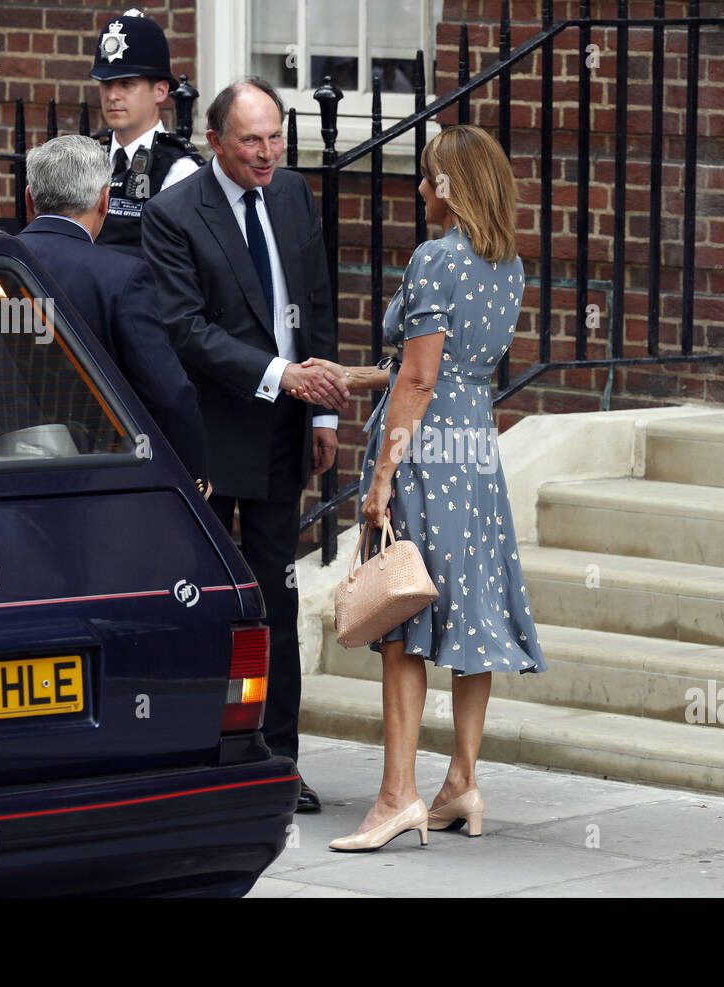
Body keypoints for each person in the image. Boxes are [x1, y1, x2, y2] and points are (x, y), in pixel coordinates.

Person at [291, 124, 549, 852]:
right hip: (476, 451)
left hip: (427, 452)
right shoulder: (507, 264)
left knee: (402, 617)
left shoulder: (435, 259)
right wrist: (353, 376)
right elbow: (440, 366)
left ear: (452, 188)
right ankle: (461, 780)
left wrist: (380, 478)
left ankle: (396, 796)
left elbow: (421, 378)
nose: (420, 187)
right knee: (472, 615)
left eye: (429, 176)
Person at [141, 78, 349, 813]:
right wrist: (281, 375)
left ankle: (277, 761)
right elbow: (185, 329)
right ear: (216, 143)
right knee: (197, 598)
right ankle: (194, 755)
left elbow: (315, 300)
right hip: (209, 434)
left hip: (284, 432)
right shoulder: (173, 215)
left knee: (275, 599)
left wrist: (320, 414)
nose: (267, 153)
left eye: (276, 137)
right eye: (251, 141)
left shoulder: (291, 194)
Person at [20, 133, 209, 494]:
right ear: (104, 201)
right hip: (93, 477)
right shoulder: (122, 278)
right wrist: (194, 475)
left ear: (29, 197)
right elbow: (168, 394)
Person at [88, 8, 205, 258]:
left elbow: (184, 260)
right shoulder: (89, 157)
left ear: (161, 91)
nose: (112, 95)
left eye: (126, 84)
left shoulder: (179, 170)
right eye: (106, 84)